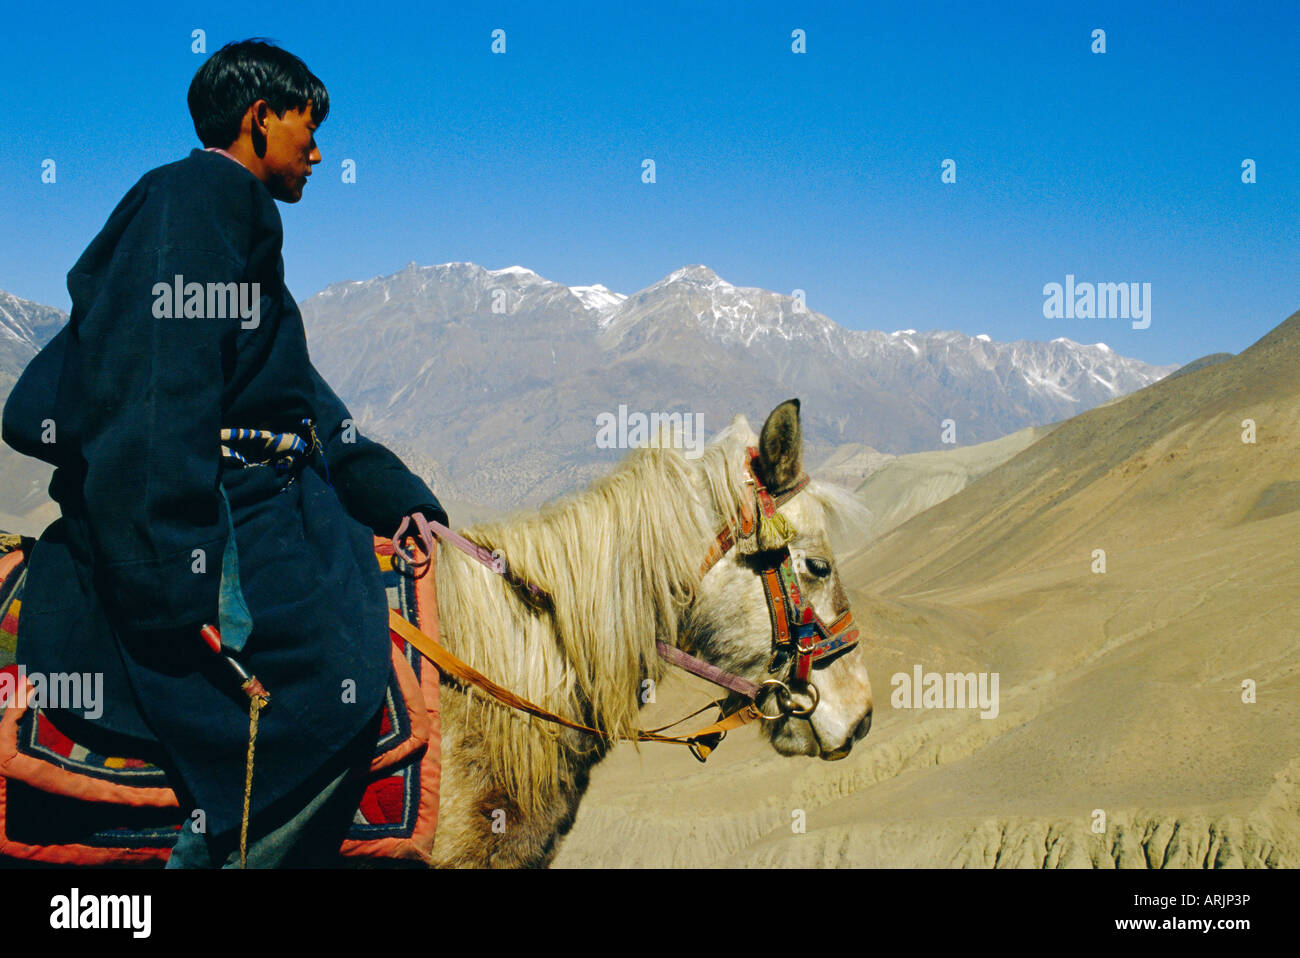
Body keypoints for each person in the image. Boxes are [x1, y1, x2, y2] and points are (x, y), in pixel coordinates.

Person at [0, 38, 447, 867]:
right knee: (329, 687)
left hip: (254, 500)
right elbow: (155, 395)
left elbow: (302, 406)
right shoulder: (195, 199)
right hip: (210, 520)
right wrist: (174, 571)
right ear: (259, 118)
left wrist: (399, 498)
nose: (319, 152)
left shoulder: (228, 216)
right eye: (308, 128)